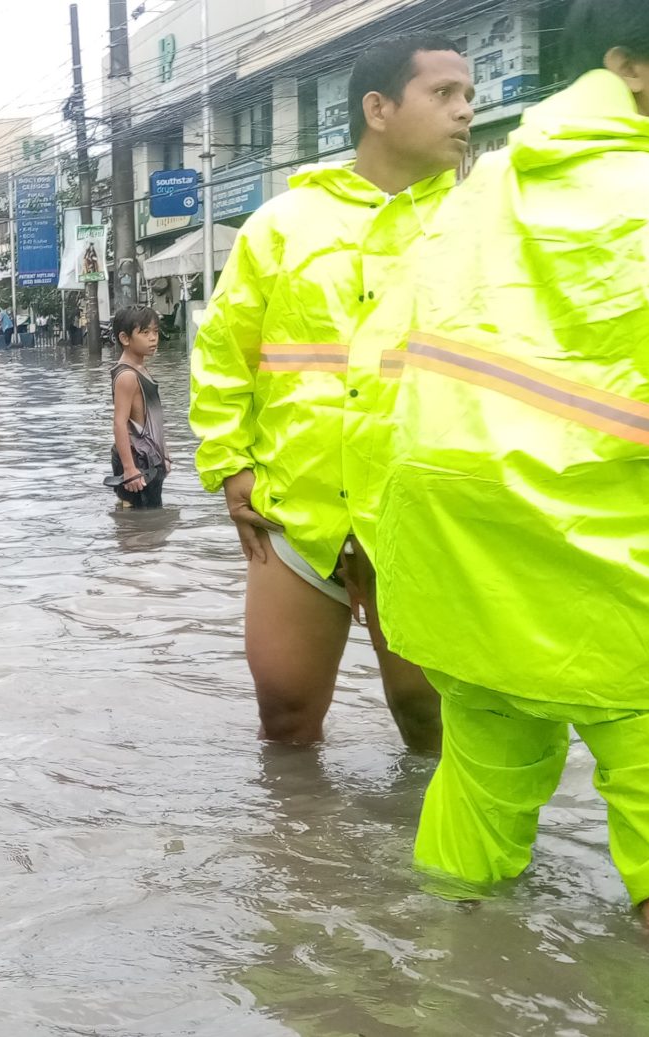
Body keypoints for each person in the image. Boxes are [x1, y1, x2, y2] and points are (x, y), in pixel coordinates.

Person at [373, 0, 649, 944]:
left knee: (465, 845)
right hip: (637, 601)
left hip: (469, 591)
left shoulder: (477, 191)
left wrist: (405, 565)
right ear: (629, 62)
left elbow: (383, 380)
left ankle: (442, 1000)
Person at [187, 35, 474, 751]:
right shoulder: (284, 225)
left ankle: (421, 865)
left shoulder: (477, 227)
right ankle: (297, 858)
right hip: (296, 510)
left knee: (430, 721)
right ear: (378, 108)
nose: (466, 111)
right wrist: (231, 467)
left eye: (468, 95)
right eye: (444, 94)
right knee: (284, 717)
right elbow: (226, 352)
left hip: (427, 516)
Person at [109, 305, 168, 509]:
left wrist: (164, 455)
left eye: (155, 332)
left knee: (152, 523)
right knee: (137, 526)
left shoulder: (141, 369)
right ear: (125, 338)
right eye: (145, 332)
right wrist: (129, 469)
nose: (153, 338)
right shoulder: (127, 376)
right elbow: (119, 423)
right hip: (137, 462)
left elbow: (153, 417)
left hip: (150, 458)